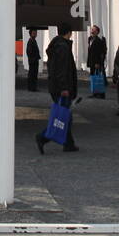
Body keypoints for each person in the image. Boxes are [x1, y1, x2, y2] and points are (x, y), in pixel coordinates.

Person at [36, 22, 79, 153]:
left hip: (56, 87)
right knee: (62, 117)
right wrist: (65, 88)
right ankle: (43, 137)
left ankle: (68, 144)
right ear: (68, 33)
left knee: (65, 115)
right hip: (62, 89)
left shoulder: (55, 45)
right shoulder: (63, 48)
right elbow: (62, 71)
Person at [87, 26, 107, 98]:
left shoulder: (99, 41)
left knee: (98, 77)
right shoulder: (89, 39)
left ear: (97, 32)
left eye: (93, 30)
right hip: (91, 61)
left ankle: (100, 93)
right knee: (93, 77)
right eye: (92, 30)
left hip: (96, 62)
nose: (92, 31)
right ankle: (95, 92)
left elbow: (100, 52)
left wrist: (98, 63)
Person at [25, 28, 41, 92]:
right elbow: (29, 52)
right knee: (32, 74)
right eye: (34, 33)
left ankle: (33, 87)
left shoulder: (33, 40)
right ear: (30, 34)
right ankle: (31, 87)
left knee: (34, 74)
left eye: (36, 33)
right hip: (32, 61)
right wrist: (33, 58)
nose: (35, 34)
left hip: (34, 60)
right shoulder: (30, 41)